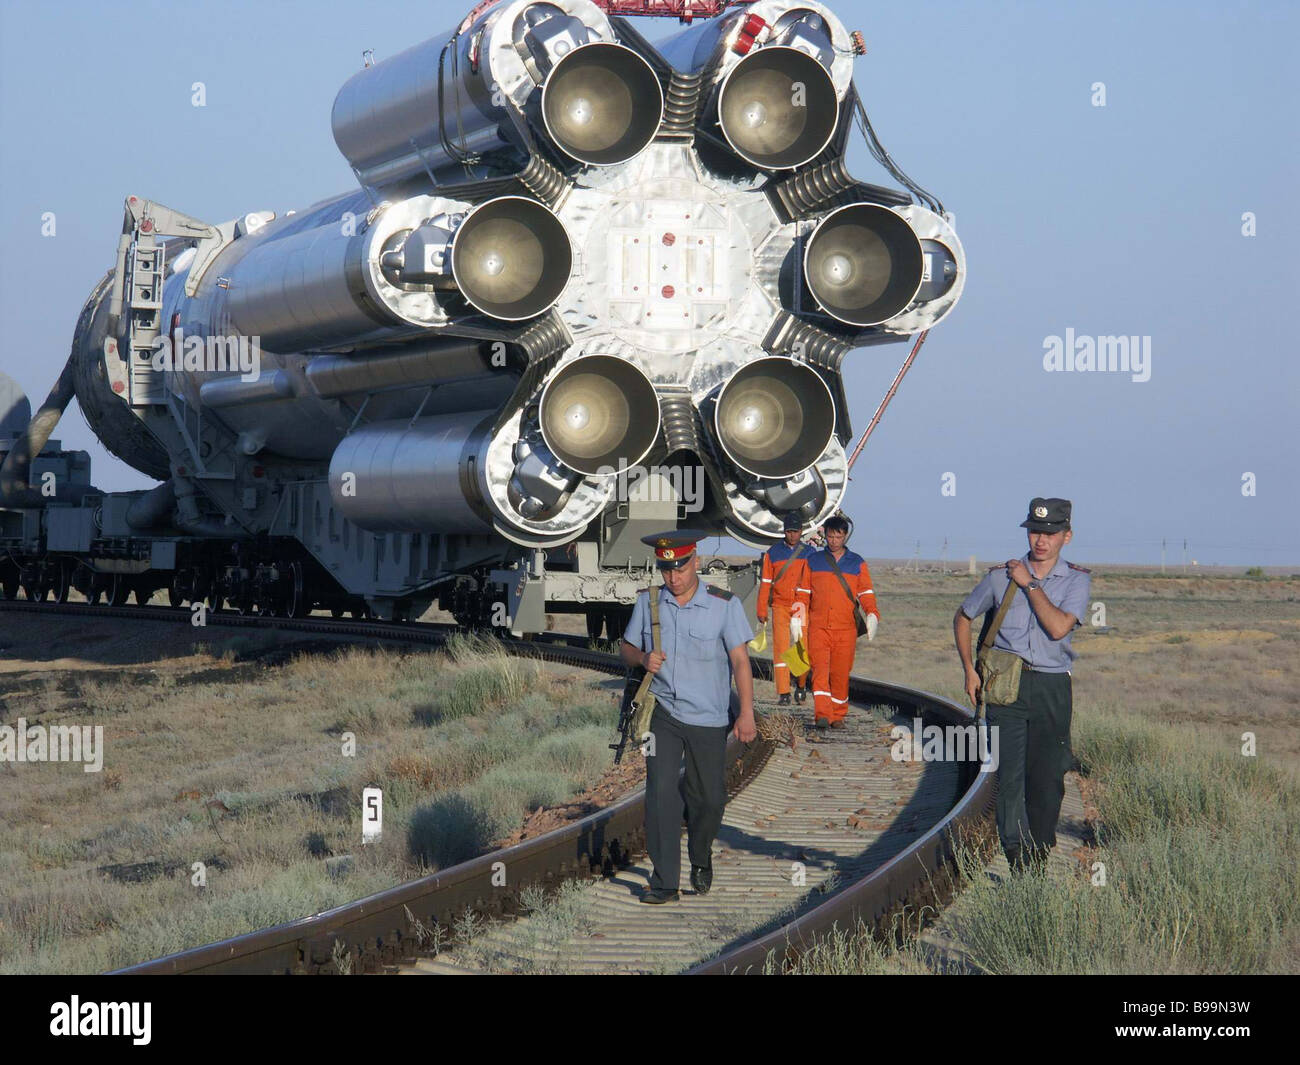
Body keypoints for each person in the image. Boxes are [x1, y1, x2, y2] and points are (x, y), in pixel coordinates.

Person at [952, 497, 1091, 872]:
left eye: (1050, 533)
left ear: (1067, 536)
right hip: (1006, 688)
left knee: (1047, 780)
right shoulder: (999, 577)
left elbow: (1059, 626)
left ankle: (1039, 855)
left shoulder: (1077, 580)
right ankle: (1018, 862)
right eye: (1034, 531)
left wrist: (1029, 586)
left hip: (1051, 689)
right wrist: (969, 669)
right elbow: (963, 616)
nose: (1040, 540)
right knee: (1009, 779)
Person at [621, 530, 756, 904]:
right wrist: (642, 659)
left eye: (679, 567)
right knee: (660, 795)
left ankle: (701, 855)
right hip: (664, 713)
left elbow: (741, 661)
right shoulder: (649, 603)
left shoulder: (723, 605)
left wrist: (746, 712)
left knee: (709, 800)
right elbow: (627, 647)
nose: (673, 576)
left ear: (695, 562)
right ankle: (664, 882)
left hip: (709, 717)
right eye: (665, 569)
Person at [805, 515, 879, 730]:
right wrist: (798, 615)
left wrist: (872, 613)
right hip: (818, 627)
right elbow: (802, 592)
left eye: (838, 536)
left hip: (845, 630)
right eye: (830, 536)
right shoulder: (813, 561)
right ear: (824, 536)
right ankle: (822, 714)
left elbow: (865, 592)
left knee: (839, 673)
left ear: (845, 536)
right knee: (819, 671)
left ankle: (838, 715)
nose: (834, 540)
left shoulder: (857, 563)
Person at [756, 511, 812, 706]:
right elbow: (765, 582)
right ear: (784, 531)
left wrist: (801, 606)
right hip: (779, 606)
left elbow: (809, 584)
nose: (792, 535)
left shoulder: (809, 553)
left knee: (800, 646)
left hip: (800, 606)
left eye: (795, 531)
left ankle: (801, 686)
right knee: (780, 649)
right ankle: (783, 692)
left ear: (801, 532)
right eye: (789, 531)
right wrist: (761, 609)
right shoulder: (773, 553)